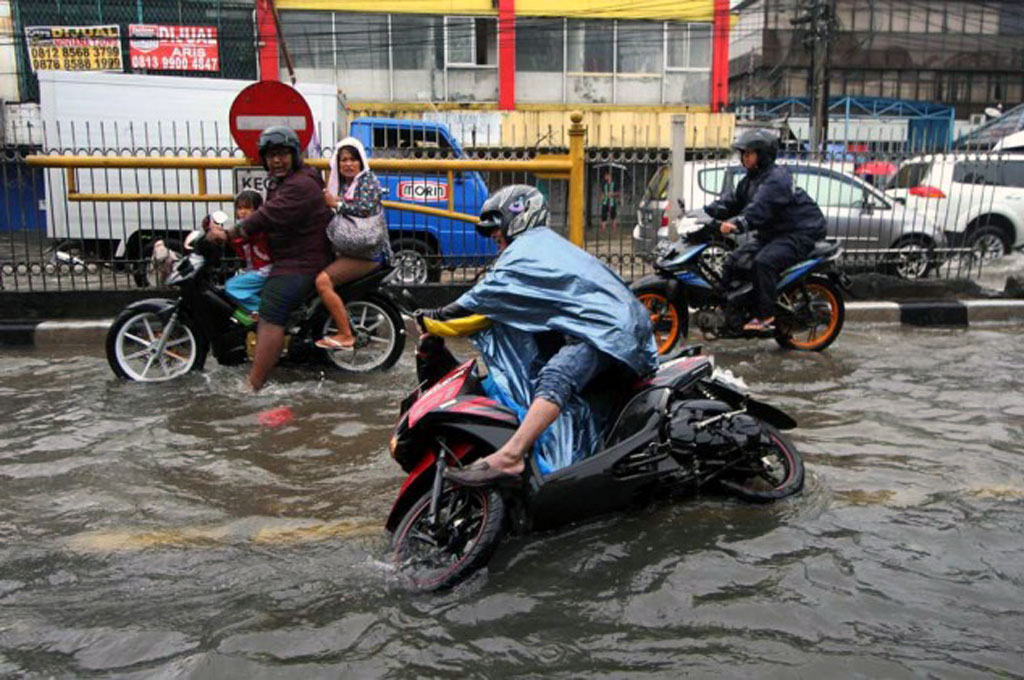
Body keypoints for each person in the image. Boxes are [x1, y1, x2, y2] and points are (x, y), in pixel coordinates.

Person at [419, 185, 658, 487]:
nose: (496, 238)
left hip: (609, 333)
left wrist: (436, 315)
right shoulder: (541, 247)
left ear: (518, 217)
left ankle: (512, 455)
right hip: (607, 329)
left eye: (497, 230)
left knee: (556, 374)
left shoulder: (527, 250)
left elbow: (481, 301)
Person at [206, 126, 333, 391]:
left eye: (283, 154)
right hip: (287, 258)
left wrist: (231, 234)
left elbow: (266, 216)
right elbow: (264, 219)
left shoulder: (301, 184)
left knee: (270, 312)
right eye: (271, 155)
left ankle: (255, 383)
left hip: (300, 263)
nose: (277, 160)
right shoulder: (282, 182)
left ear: (294, 154)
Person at [703, 129, 827, 332]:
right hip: (774, 233)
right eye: (743, 154)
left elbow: (759, 210)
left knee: (764, 262)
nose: (744, 158)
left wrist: (736, 224)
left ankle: (765, 316)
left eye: (748, 153)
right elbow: (732, 201)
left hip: (800, 231)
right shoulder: (751, 179)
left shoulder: (777, 179)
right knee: (734, 260)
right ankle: (733, 308)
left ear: (762, 155)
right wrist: (704, 212)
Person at [314, 137, 389, 351]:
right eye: (343, 160)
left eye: (353, 160)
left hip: (367, 255)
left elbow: (364, 208)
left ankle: (346, 334)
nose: (348, 164)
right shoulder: (348, 184)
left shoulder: (368, 180)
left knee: (323, 282)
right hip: (355, 251)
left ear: (361, 162)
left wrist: (335, 204)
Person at [216, 189, 270, 314]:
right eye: (239, 208)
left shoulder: (256, 227)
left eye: (247, 208)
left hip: (264, 270)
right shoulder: (243, 226)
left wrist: (224, 236)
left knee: (232, 287)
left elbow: (239, 239)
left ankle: (263, 312)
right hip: (254, 268)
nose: (243, 212)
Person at [599, 169, 619, 235]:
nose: (605, 177)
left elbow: (618, 193)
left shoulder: (614, 183)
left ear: (609, 175)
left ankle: (614, 230)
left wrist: (612, 194)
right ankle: (603, 231)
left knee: (613, 216)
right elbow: (601, 192)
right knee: (603, 216)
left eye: (606, 175)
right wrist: (602, 196)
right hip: (605, 202)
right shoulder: (604, 183)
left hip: (612, 202)